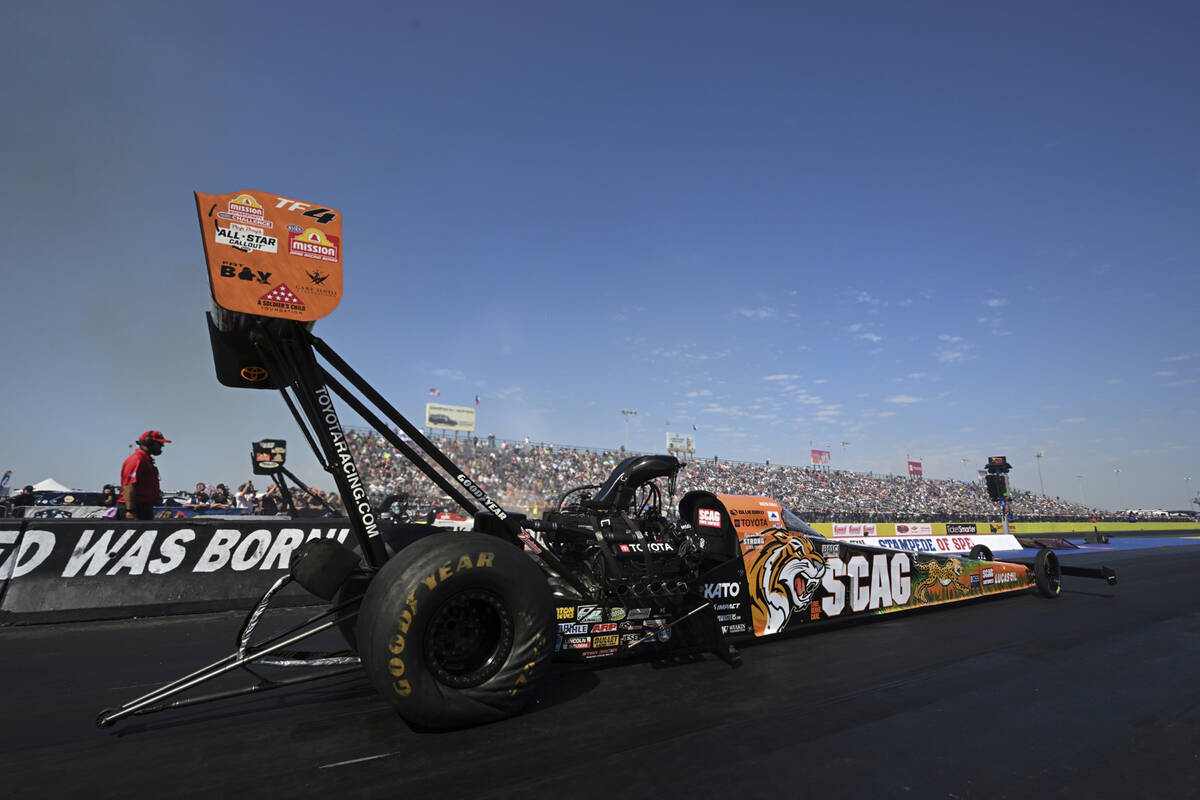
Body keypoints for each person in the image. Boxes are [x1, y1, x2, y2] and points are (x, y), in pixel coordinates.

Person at [121, 431, 170, 520]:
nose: (162, 446)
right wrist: (130, 511)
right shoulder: (137, 459)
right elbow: (129, 486)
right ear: (149, 442)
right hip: (134, 508)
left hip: (143, 507)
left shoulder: (146, 460)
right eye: (159, 443)